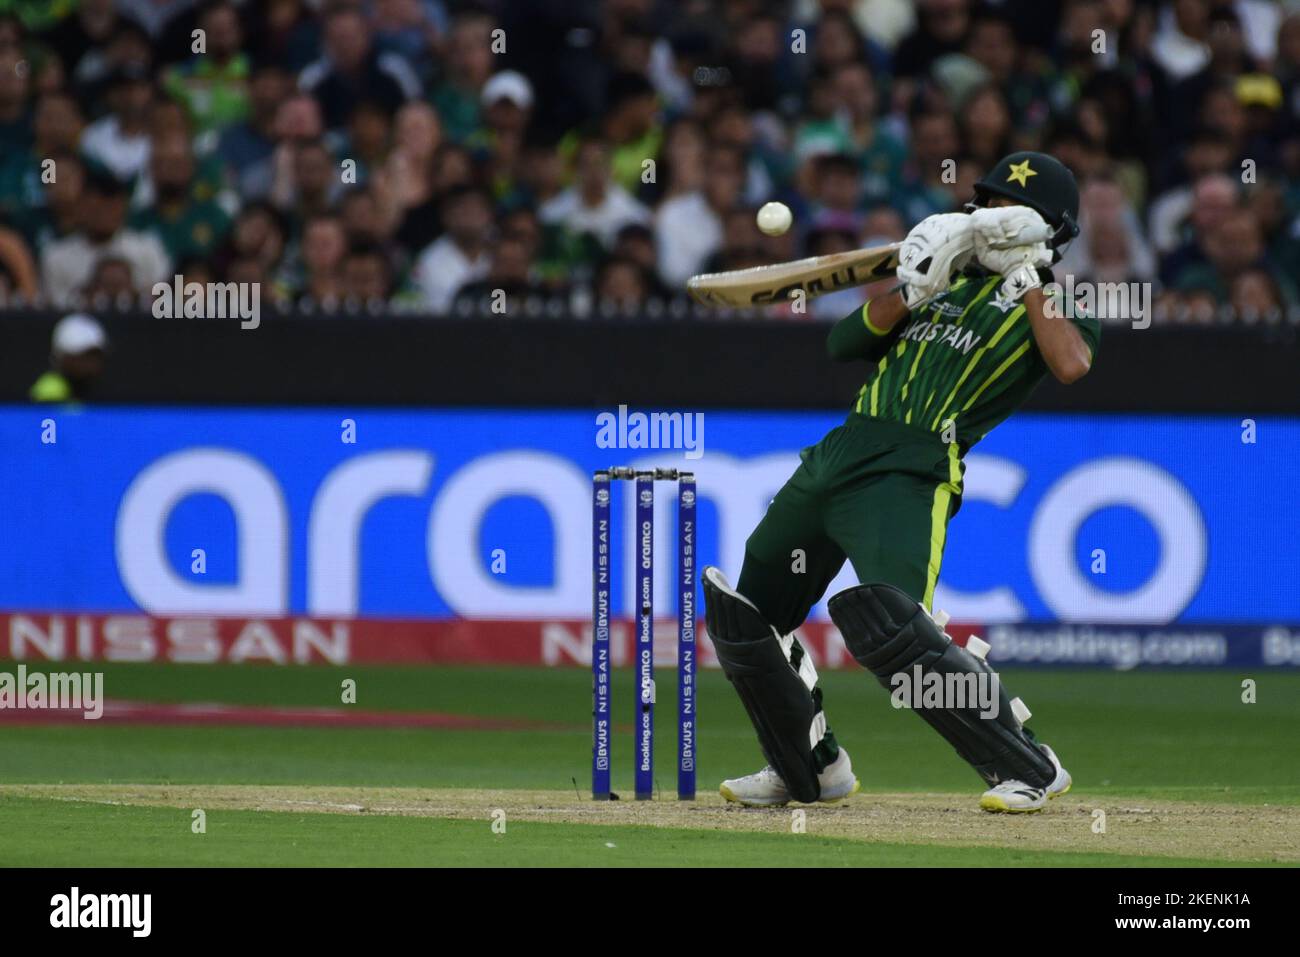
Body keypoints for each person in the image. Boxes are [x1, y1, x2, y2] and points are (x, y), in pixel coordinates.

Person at [703, 152, 1099, 814]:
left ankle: (1027, 762)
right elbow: (843, 345)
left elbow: (1071, 363)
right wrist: (914, 286)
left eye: (1007, 210)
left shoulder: (1060, 297)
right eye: (985, 204)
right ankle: (809, 765)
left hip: (912, 467)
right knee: (748, 618)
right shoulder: (940, 277)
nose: (987, 217)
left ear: (1046, 230)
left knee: (897, 631)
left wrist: (1029, 277)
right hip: (839, 453)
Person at [30, 313, 109, 403]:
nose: (90, 364)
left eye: (95, 355)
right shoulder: (50, 391)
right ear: (62, 356)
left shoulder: (98, 390)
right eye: (81, 356)